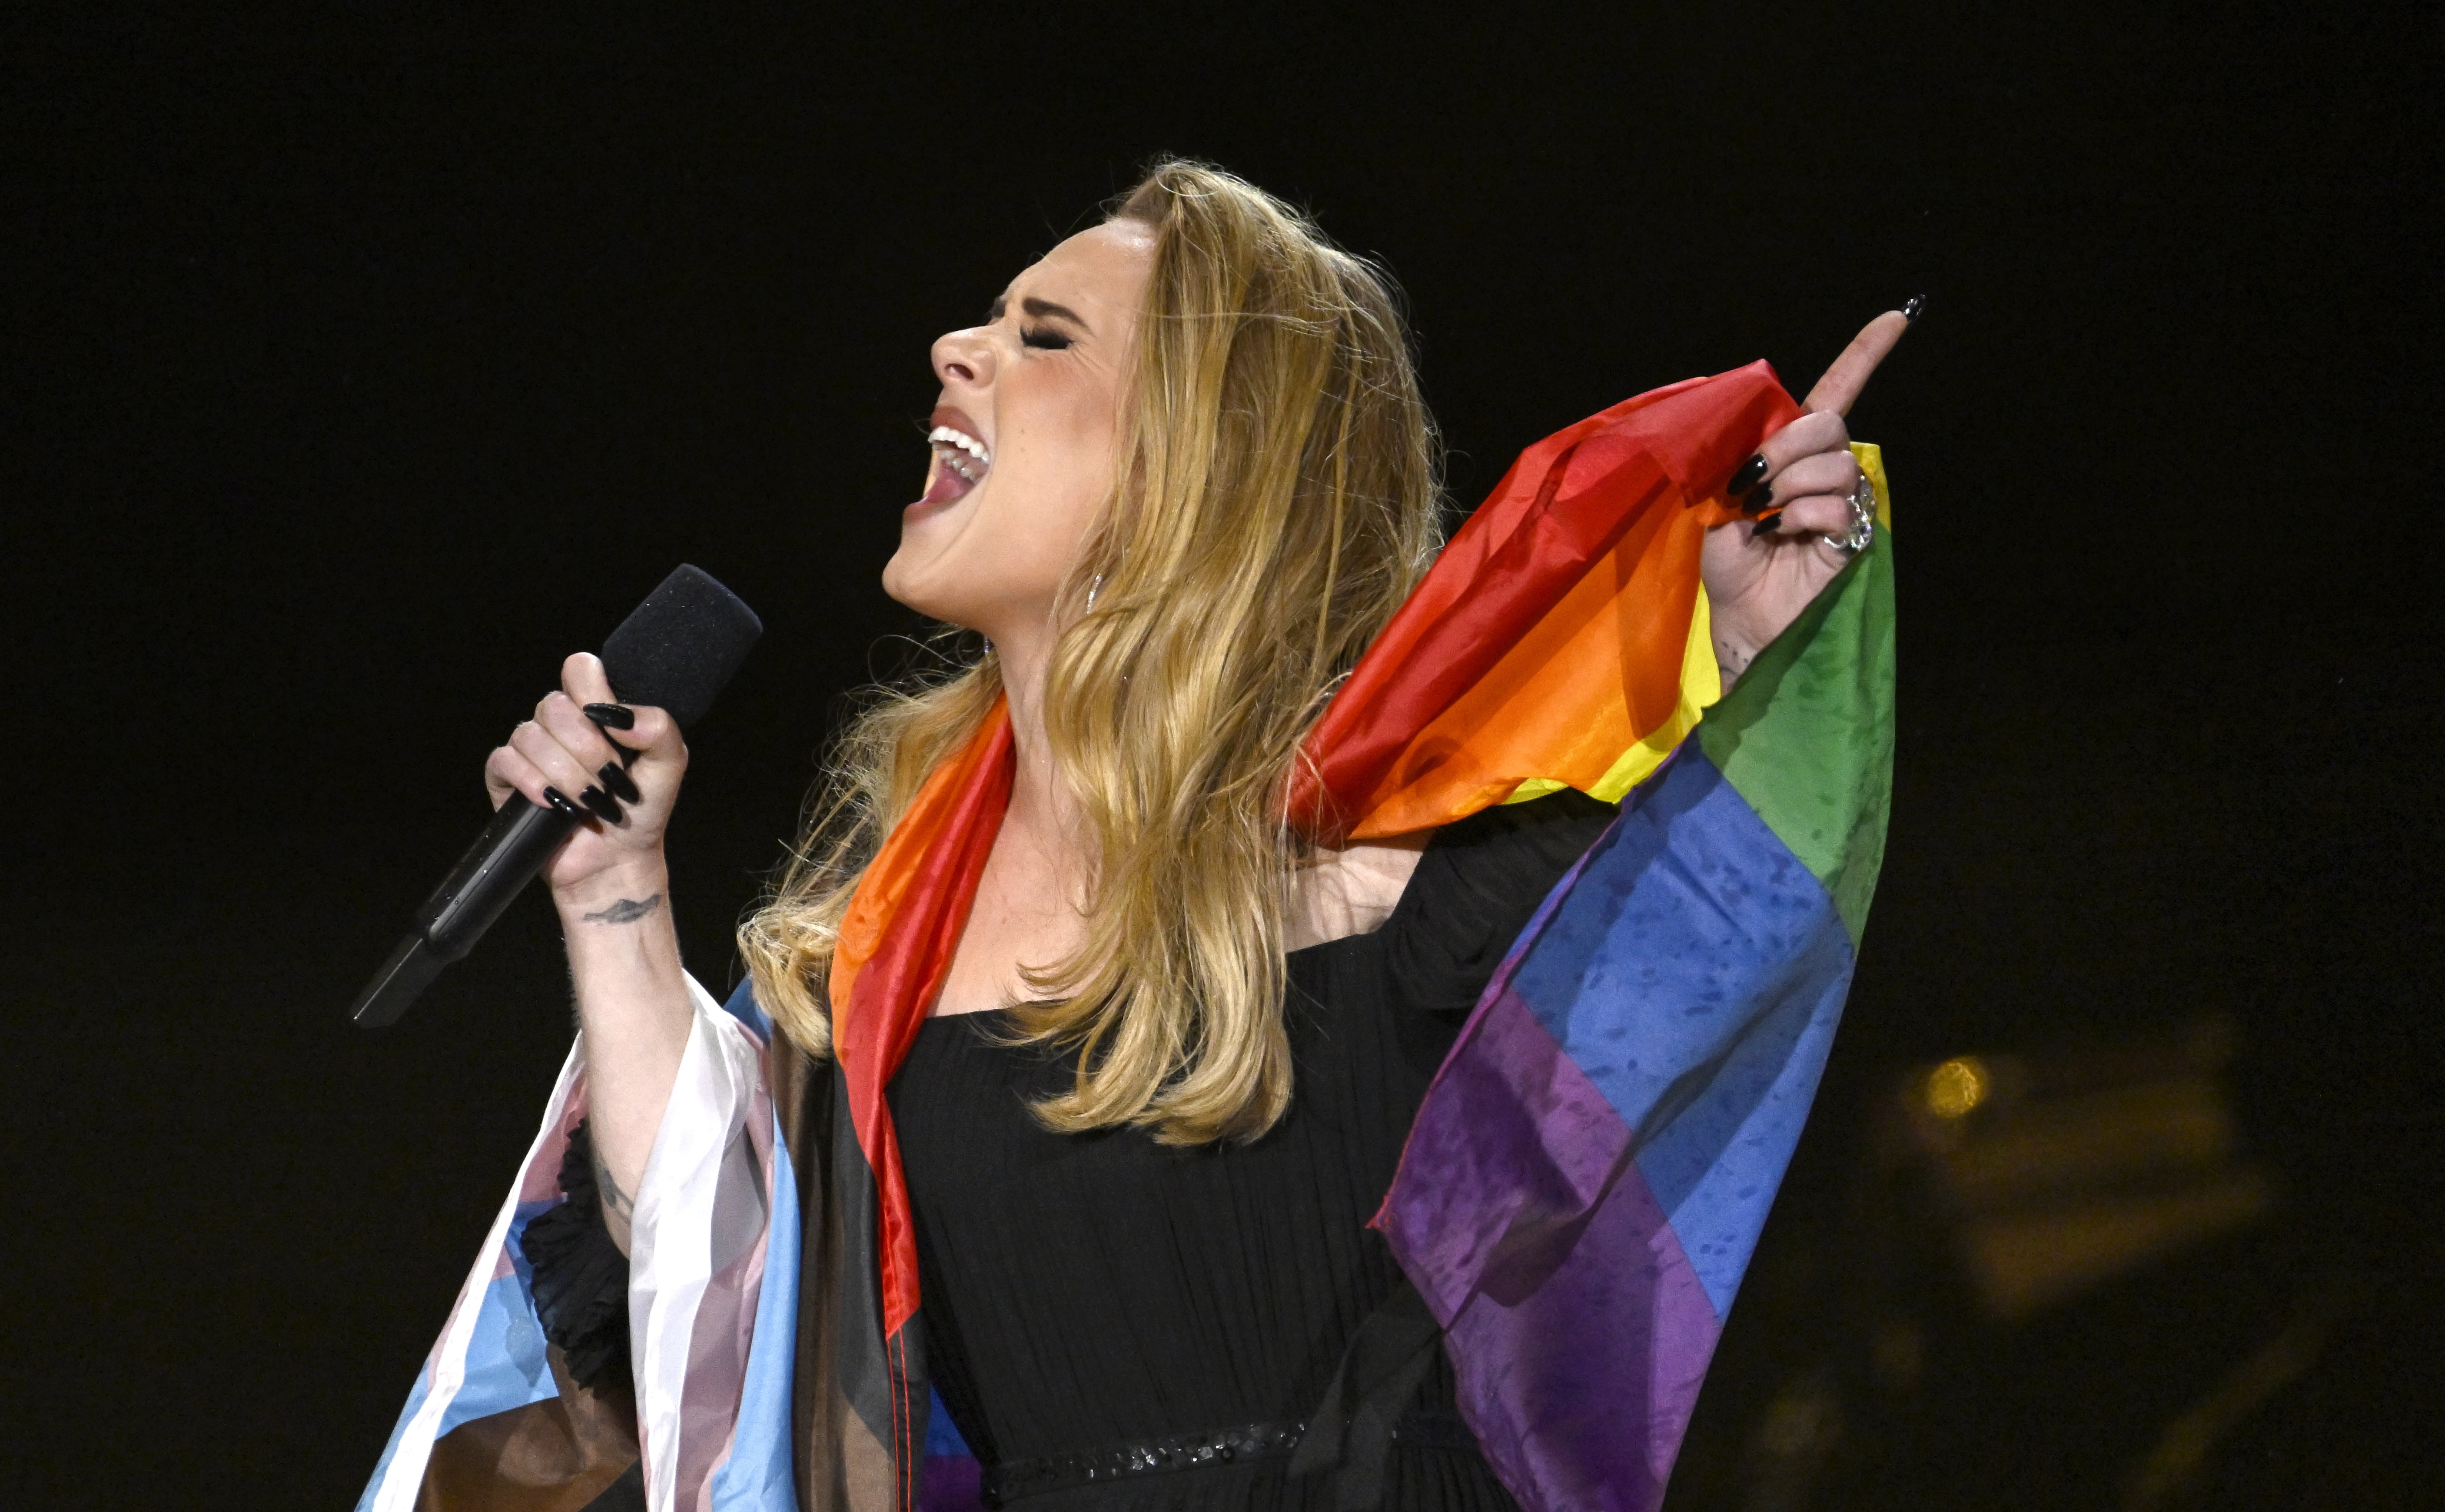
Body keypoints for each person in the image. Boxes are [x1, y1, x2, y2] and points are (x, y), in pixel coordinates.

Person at [432, 158, 1902, 1512]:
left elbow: (1709, 998)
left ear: (1204, 452)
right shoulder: (876, 953)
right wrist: (614, 893)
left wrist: (1750, 657)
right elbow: (701, 1299)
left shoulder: (1404, 874)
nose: (955, 349)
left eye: (1045, 335)